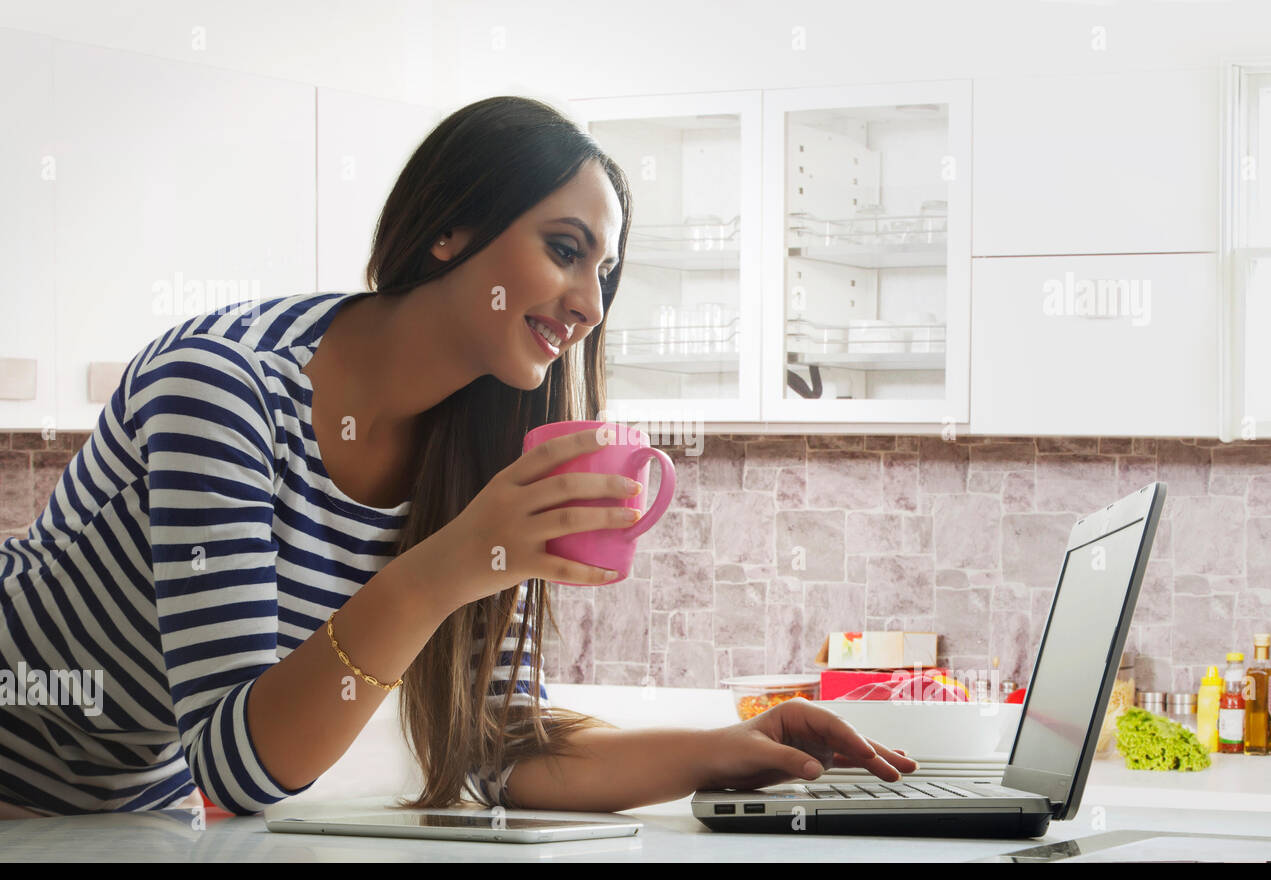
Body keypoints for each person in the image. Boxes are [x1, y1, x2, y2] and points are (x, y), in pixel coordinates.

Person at [0, 95, 915, 818]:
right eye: (566, 250)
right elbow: (241, 764)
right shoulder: (224, 388)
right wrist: (452, 564)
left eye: (606, 274)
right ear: (448, 231)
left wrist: (732, 747)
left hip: (121, 813)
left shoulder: (479, 454)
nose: (590, 304)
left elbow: (501, 749)